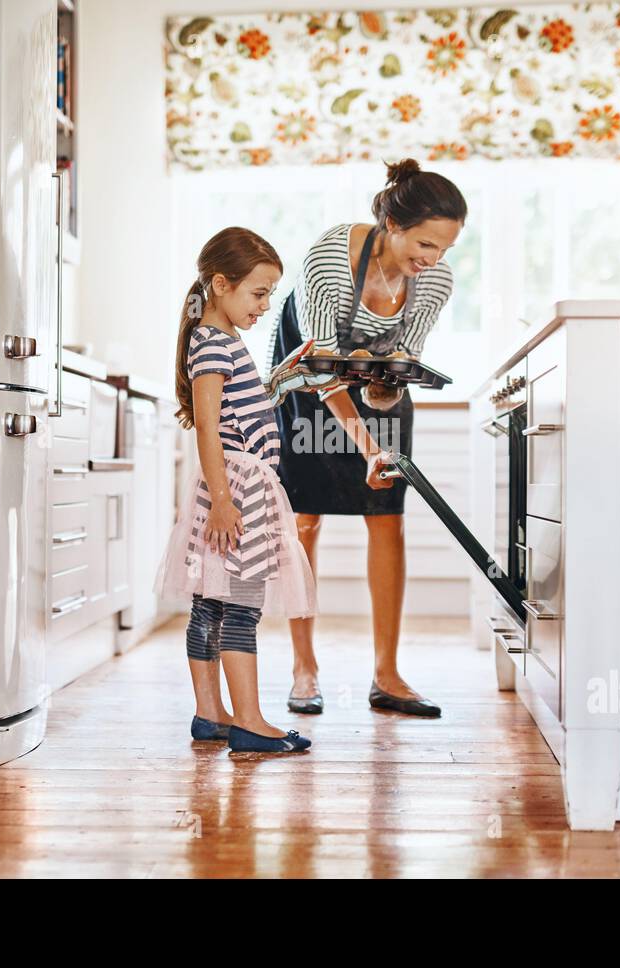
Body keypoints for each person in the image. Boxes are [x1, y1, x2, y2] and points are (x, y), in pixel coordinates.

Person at [268, 158, 467, 718]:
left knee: (388, 516)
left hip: (371, 374)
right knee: (304, 520)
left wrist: (384, 391)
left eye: (444, 250)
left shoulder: (434, 282)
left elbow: (400, 370)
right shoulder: (331, 259)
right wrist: (365, 442)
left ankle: (388, 674)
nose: (431, 262)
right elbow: (319, 367)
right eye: (424, 245)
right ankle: (304, 669)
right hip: (309, 374)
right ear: (391, 222)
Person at [154, 227, 317, 753]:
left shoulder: (218, 342)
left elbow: (230, 413)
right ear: (220, 285)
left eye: (270, 293)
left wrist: (277, 382)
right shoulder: (214, 345)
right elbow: (206, 427)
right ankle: (249, 721)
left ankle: (211, 715)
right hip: (236, 489)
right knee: (241, 606)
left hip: (230, 485)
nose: (266, 305)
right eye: (258, 292)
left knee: (210, 604)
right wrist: (224, 502)